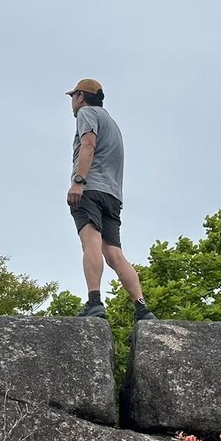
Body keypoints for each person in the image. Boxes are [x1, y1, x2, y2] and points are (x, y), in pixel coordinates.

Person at [64, 78, 155, 321]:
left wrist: (78, 181)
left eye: (73, 96)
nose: (72, 102)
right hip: (113, 195)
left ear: (81, 97)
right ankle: (142, 308)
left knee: (90, 242)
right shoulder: (112, 123)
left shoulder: (87, 113)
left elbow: (88, 144)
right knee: (114, 253)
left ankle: (94, 302)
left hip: (90, 190)